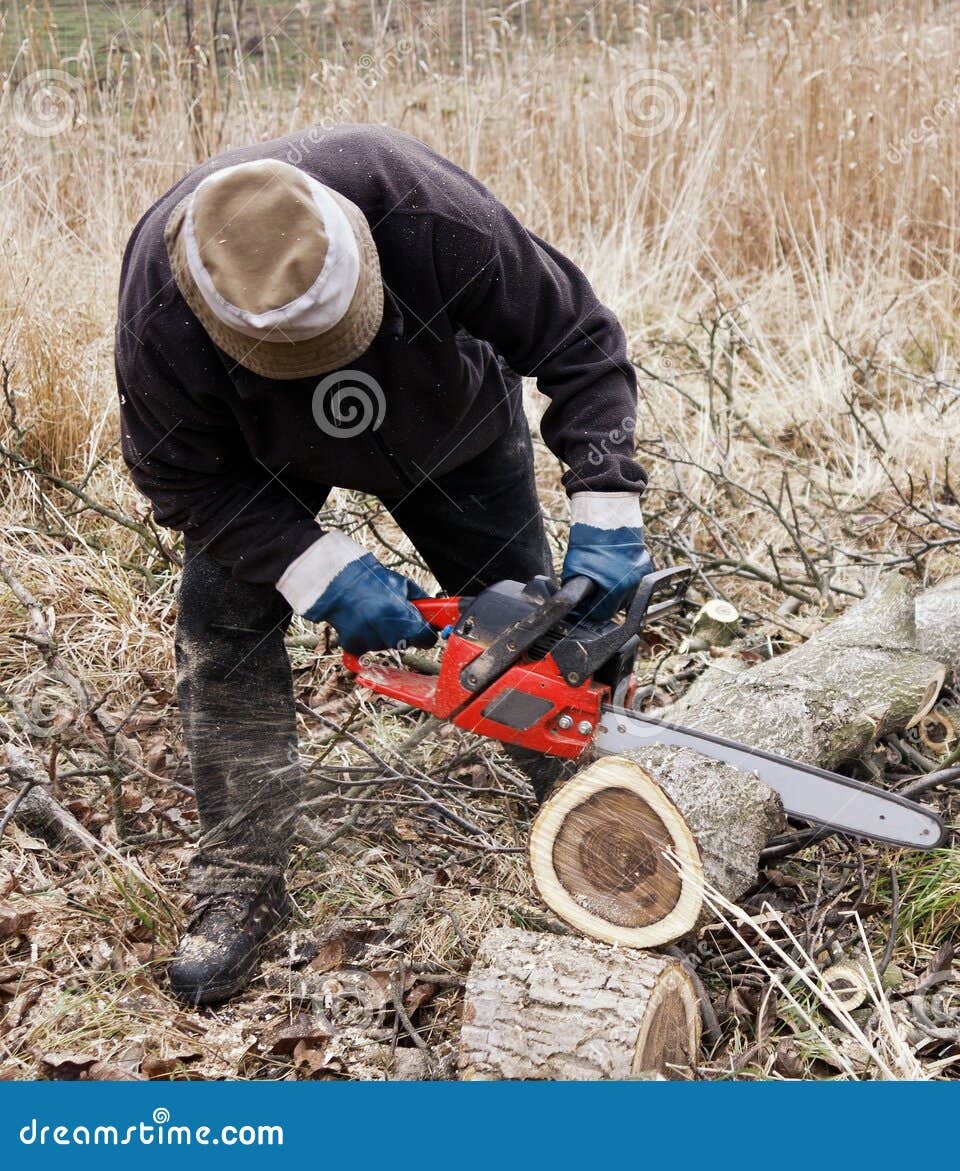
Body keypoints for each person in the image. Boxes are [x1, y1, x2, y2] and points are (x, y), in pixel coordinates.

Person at [114, 124, 651, 1005]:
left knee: (525, 626)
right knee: (225, 638)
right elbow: (176, 474)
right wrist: (312, 566)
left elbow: (578, 340)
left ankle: (587, 799)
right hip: (260, 464)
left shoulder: (422, 207)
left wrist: (607, 500)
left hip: (450, 418)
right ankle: (239, 872)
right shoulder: (160, 307)